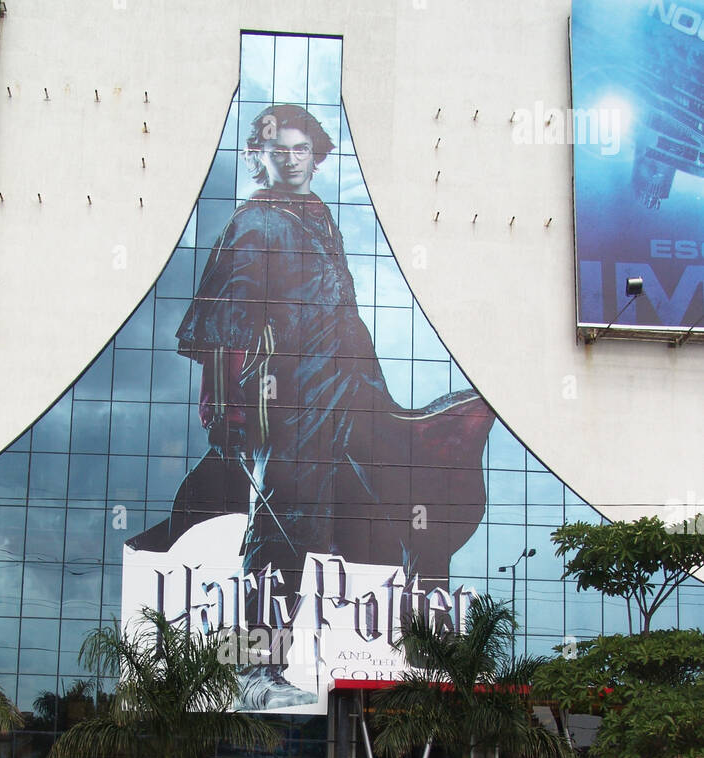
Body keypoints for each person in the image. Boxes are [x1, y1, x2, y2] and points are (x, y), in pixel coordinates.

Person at [129, 102, 494, 708]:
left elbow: (338, 310)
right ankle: (250, 670)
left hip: (348, 395)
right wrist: (225, 407)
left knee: (381, 510)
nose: (289, 160)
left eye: (301, 149)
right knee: (282, 529)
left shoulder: (319, 217)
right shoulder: (253, 225)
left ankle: (414, 650)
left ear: (317, 157)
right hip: (292, 405)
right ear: (259, 156)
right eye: (277, 150)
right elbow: (224, 328)